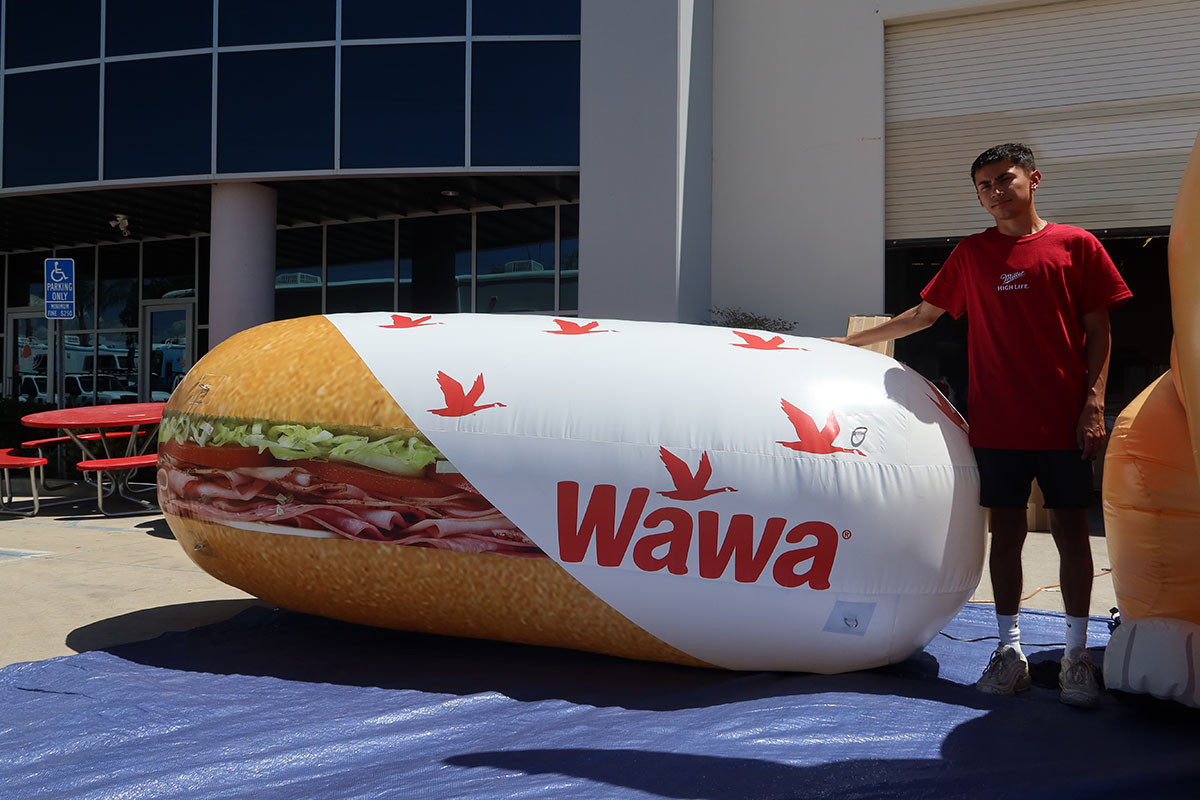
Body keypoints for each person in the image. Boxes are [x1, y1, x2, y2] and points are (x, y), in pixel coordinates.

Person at [828, 143, 1131, 707]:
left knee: (1071, 531)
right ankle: (1010, 652)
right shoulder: (970, 254)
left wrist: (1093, 402)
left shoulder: (1076, 245)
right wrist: (847, 344)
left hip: (1063, 421)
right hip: (995, 423)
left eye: (1004, 179)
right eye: (984, 185)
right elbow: (923, 316)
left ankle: (1075, 657)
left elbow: (1098, 329)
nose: (995, 191)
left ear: (1034, 179)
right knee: (1007, 535)